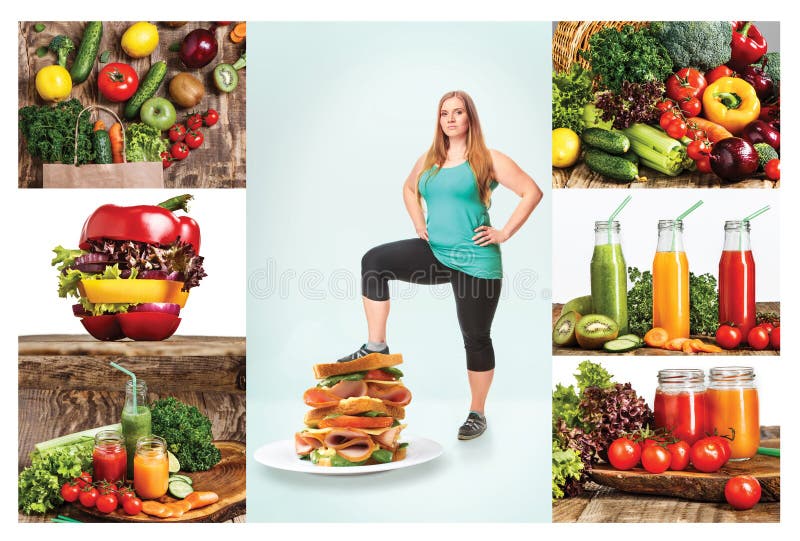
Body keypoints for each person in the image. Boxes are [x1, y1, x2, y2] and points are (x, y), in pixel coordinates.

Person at [338, 90, 543, 440]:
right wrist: (419, 223)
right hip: (435, 254)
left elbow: (531, 191)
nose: (450, 118)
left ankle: (477, 413)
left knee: (475, 337)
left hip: (475, 260)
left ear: (469, 118)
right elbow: (407, 189)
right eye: (444, 113)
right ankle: (376, 346)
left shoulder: (488, 159)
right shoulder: (430, 159)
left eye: (458, 112)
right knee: (374, 261)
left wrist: (503, 232)